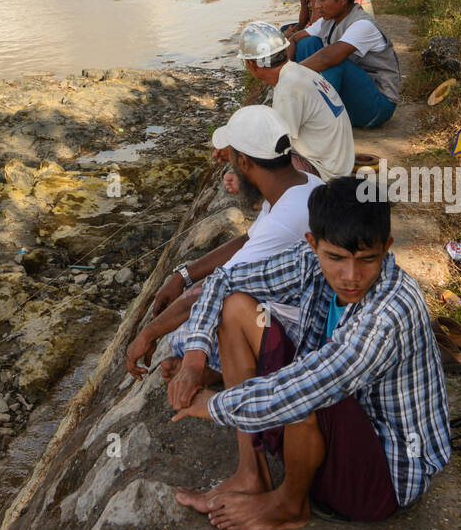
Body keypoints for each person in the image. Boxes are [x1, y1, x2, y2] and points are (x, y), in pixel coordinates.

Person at [169, 176, 450, 530]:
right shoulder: (310, 261)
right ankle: (251, 475)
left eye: (367, 259)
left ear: (386, 247)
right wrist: (194, 358)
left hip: (382, 479)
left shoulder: (390, 310)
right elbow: (222, 280)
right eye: (336, 258)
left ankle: (289, 507)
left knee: (306, 392)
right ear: (313, 243)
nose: (351, 276)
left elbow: (312, 385)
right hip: (331, 430)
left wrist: (214, 405)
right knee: (236, 307)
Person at [125, 107, 321, 383]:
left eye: (232, 159)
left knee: (182, 334)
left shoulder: (285, 219)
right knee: (197, 311)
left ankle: (229, 376)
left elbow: (218, 286)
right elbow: (248, 239)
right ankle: (222, 370)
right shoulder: (301, 183)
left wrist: (148, 334)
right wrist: (182, 276)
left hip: (305, 334)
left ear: (244, 162)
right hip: (300, 305)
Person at [239, 23, 354, 181]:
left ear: (251, 64)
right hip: (339, 162)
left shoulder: (288, 88)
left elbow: (277, 144)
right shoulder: (298, 72)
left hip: (328, 172)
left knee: (259, 164)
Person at [287, 0, 400, 128]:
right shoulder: (329, 20)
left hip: (377, 105)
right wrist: (286, 69)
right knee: (307, 43)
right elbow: (294, 38)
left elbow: (328, 58)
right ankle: (306, 104)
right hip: (352, 97)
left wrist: (289, 74)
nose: (317, 6)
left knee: (334, 62)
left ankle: (319, 117)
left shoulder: (363, 25)